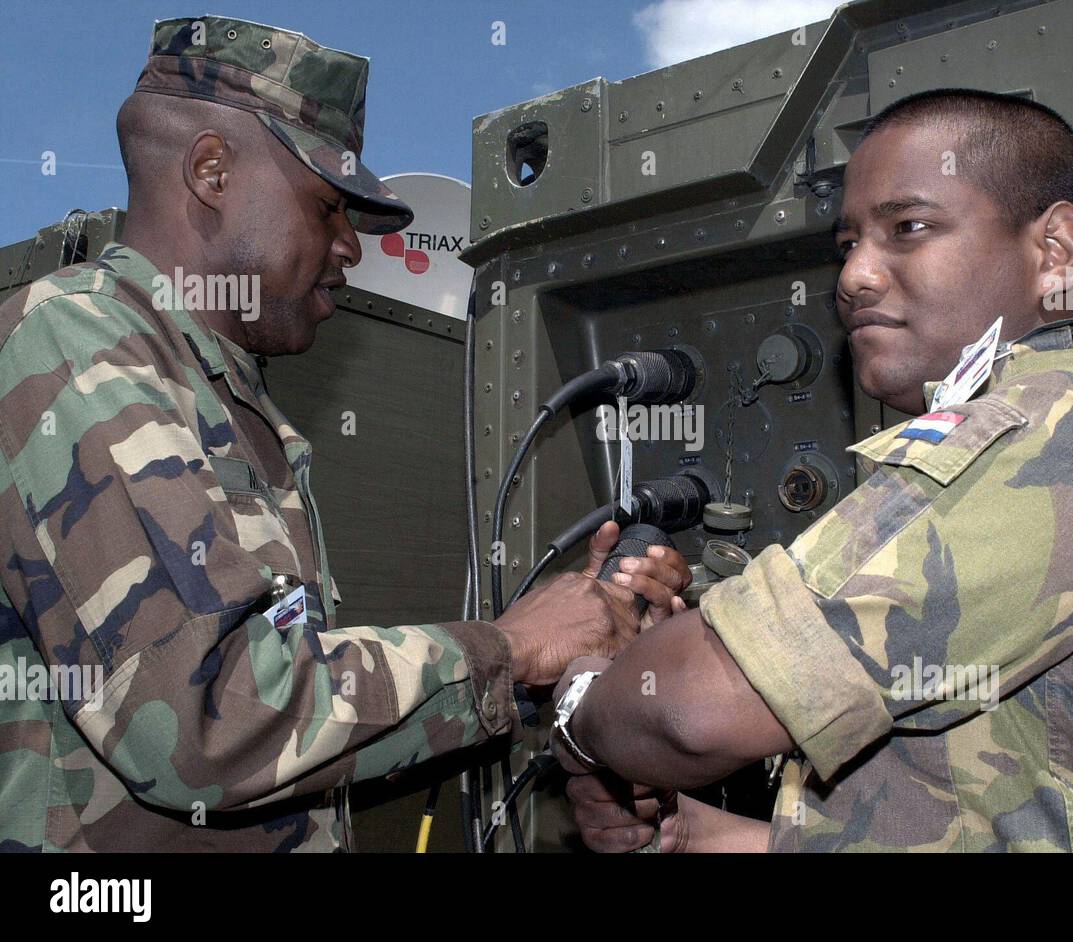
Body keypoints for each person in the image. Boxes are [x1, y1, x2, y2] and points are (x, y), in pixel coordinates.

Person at [0, 15, 688, 853]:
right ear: (211, 171)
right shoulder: (77, 348)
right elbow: (204, 722)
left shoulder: (225, 394)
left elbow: (302, 728)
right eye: (328, 207)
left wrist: (570, 656)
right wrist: (513, 647)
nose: (350, 248)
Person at [556, 88, 1073, 853]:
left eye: (909, 228)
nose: (856, 278)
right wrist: (693, 836)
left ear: (1056, 252)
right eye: (847, 245)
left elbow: (694, 711)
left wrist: (585, 694)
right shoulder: (1029, 423)